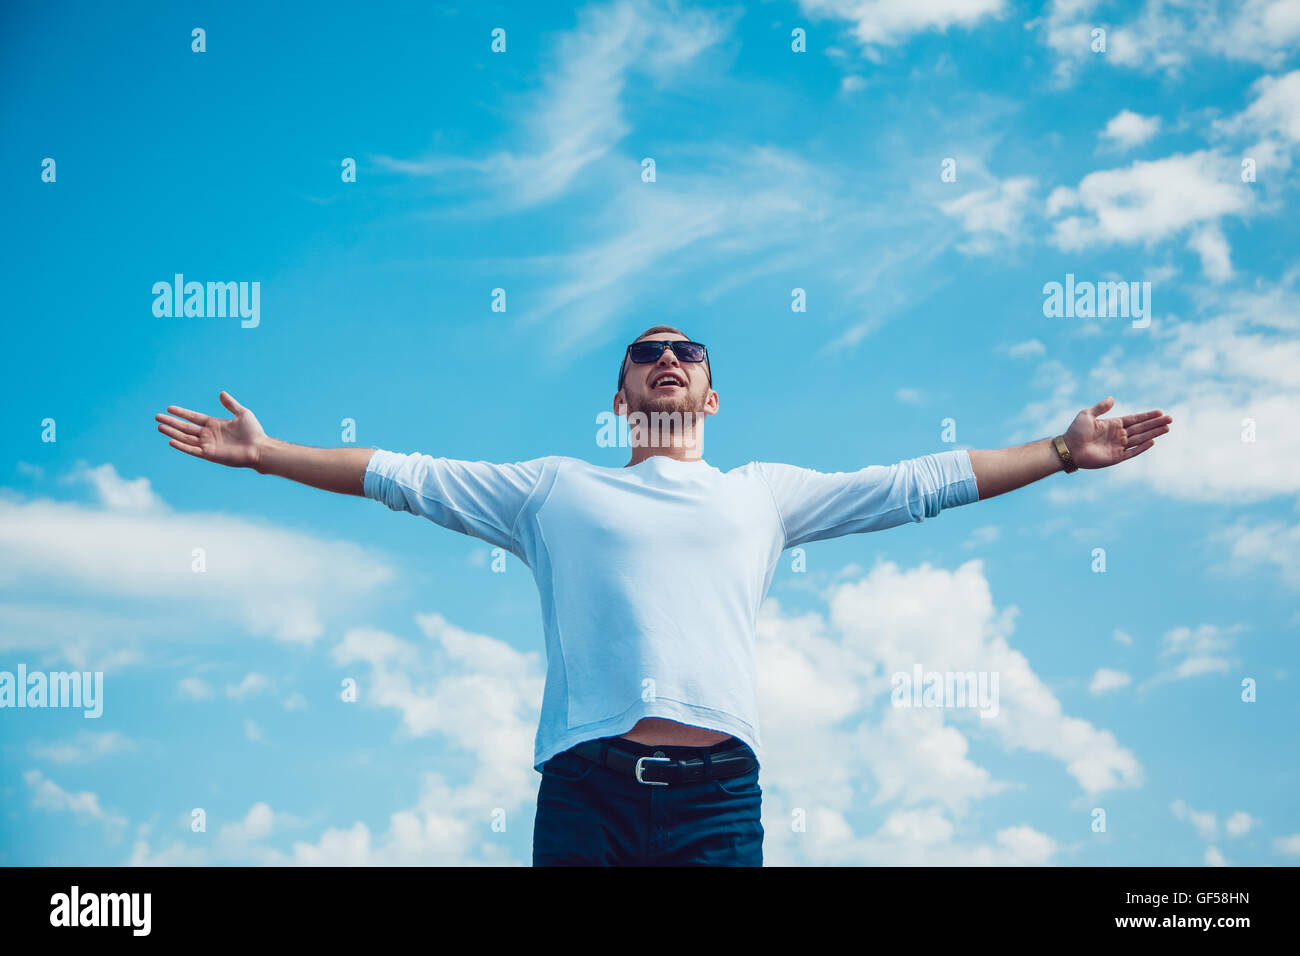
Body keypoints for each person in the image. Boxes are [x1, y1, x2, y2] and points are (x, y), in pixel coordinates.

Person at [154, 325, 1172, 866]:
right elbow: (401, 474)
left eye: (687, 353)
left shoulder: (761, 494)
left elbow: (914, 484)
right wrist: (270, 455)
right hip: (585, 788)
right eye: (647, 353)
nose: (669, 360)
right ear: (621, 397)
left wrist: (1059, 453)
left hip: (718, 797)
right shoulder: (551, 488)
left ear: (712, 393)